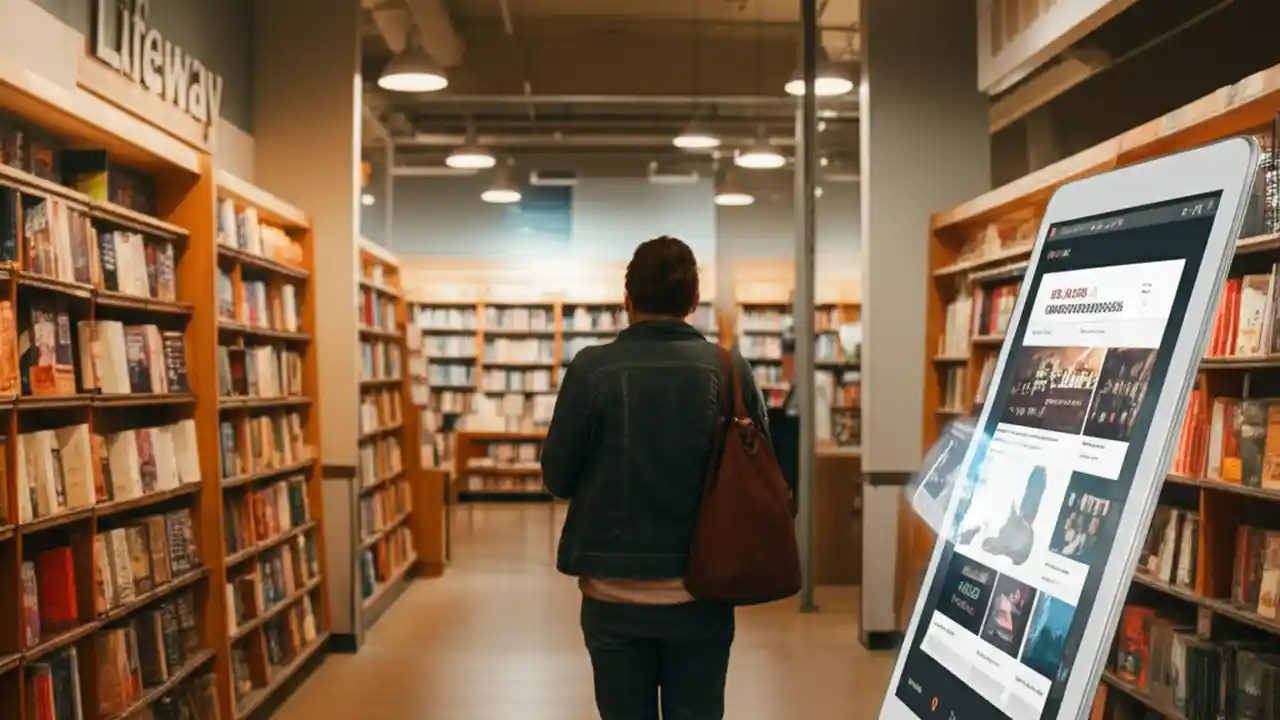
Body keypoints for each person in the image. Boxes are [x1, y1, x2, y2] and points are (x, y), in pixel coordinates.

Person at [541, 236, 768, 720]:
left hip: (612, 595)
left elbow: (557, 477)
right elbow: (762, 472)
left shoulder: (591, 369)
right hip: (703, 589)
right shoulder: (729, 370)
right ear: (694, 301)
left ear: (626, 301)